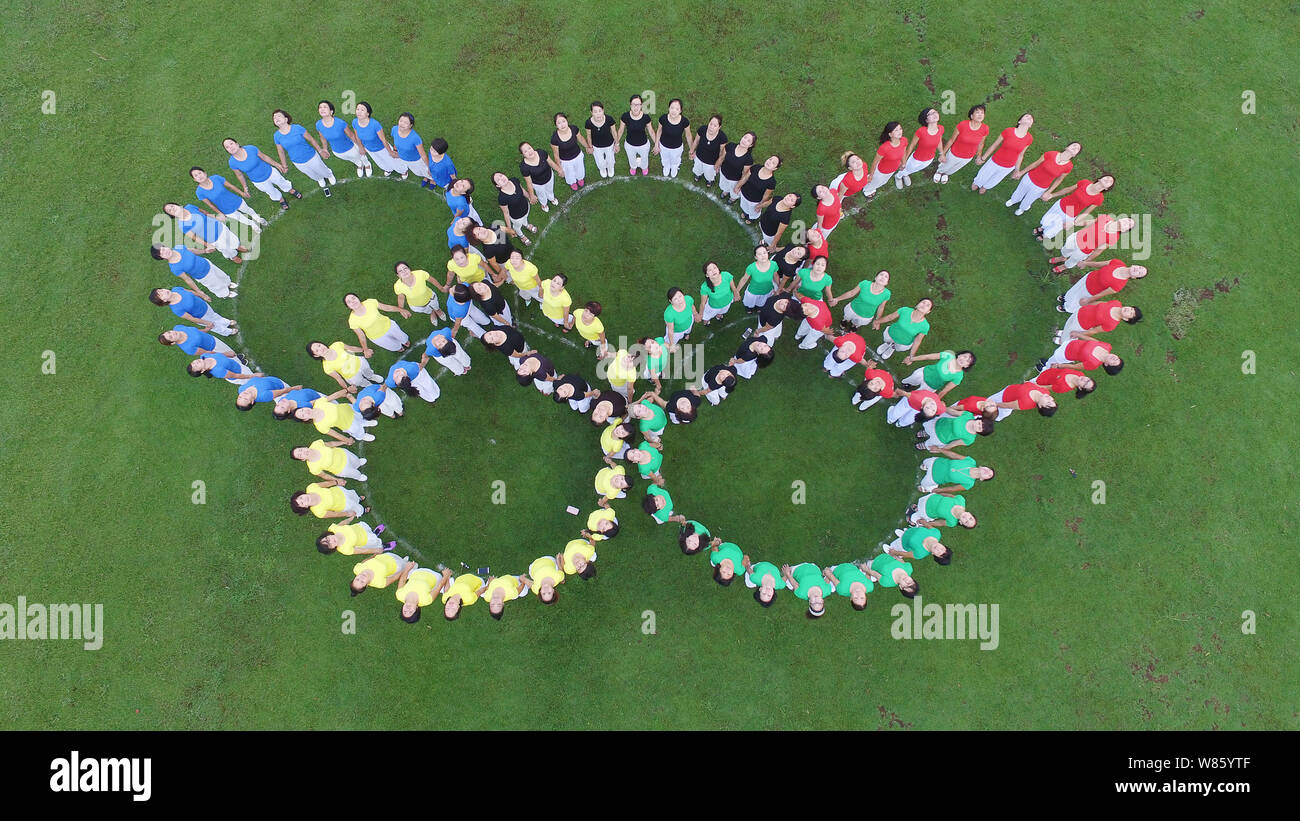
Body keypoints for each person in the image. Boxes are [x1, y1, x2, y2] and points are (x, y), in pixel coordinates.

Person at [1006, 141, 1080, 216]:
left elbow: (1059, 179)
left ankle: (1022, 208)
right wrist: (1021, 172)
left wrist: (1049, 192)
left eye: (1077, 149)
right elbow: (1035, 164)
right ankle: (1014, 200)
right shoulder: (1051, 154)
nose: (1075, 148)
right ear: (1067, 147)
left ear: (1075, 155)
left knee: (1027, 202)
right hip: (1029, 178)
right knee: (1018, 193)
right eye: (1074, 145)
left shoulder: (1069, 166)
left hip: (1040, 187)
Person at [271, 109, 334, 196]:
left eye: (278, 116)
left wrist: (320, 150)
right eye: (274, 118)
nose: (276, 118)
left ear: (286, 119)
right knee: (311, 174)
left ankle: (329, 175)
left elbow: (311, 139)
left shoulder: (297, 128)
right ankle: (319, 178)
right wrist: (284, 165)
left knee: (321, 169)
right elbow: (280, 151)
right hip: (297, 161)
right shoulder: (276, 136)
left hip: (311, 156)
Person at [223, 138, 298, 211]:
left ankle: (290, 190)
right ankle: (280, 199)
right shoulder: (232, 162)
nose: (230, 147)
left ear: (237, 143)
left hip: (270, 172)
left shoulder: (251, 149)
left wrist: (277, 165)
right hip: (258, 181)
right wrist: (245, 187)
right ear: (227, 151)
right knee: (270, 191)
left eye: (231, 143)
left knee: (281, 181)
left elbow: (264, 157)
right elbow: (239, 175)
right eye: (227, 147)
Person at [163, 203, 248, 263]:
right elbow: (194, 237)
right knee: (226, 249)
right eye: (170, 210)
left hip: (220, 227)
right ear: (172, 216)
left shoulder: (189, 207)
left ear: (176, 205)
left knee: (232, 239)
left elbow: (203, 212)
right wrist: (207, 245)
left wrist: (215, 216)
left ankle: (236, 246)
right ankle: (233, 257)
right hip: (214, 239)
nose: (172, 209)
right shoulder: (182, 225)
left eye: (172, 206)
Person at [972, 112, 1034, 194]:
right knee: (983, 175)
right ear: (1019, 121)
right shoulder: (1008, 131)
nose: (1029, 117)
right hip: (995, 161)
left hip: (1008, 166)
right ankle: (977, 182)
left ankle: (985, 187)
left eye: (1031, 118)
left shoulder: (1029, 138)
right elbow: (994, 145)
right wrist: (983, 158)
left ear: (1030, 125)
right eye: (1026, 116)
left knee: (995, 179)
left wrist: (1017, 170)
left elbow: (1021, 154)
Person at [1036, 175, 1113, 241]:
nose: (1108, 180)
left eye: (1110, 181)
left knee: (1055, 227)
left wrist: (1073, 223)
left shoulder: (1099, 198)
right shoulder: (1085, 182)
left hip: (1070, 214)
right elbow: (1068, 189)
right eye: (1107, 177)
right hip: (1061, 204)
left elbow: (1086, 212)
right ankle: (1042, 228)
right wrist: (1052, 195)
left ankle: (1044, 235)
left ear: (1107, 188)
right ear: (1100, 179)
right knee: (1049, 219)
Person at [190, 166, 266, 232]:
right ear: (195, 180)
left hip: (235, 200)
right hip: (226, 209)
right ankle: (252, 224)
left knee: (248, 210)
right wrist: (220, 213)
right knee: (241, 218)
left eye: (200, 173)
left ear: (205, 173)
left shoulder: (216, 178)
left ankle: (258, 218)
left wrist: (242, 193)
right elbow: (210, 205)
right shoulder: (199, 192)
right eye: (196, 175)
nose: (199, 176)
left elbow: (231, 186)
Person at [1057, 259, 1147, 314]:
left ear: (1134, 277)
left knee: (1076, 301)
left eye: (1139, 273)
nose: (1137, 269)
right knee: (1074, 290)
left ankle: (1067, 307)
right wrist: (1086, 263)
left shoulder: (1119, 285)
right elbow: (1099, 264)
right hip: (1088, 278)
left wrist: (1088, 300)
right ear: (1134, 265)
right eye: (1139, 267)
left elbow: (1102, 294)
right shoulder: (1118, 262)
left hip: (1089, 291)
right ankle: (1066, 296)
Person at [1051, 215, 1137, 271]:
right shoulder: (1106, 217)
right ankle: (1062, 257)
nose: (1127, 222)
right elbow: (1088, 222)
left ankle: (1063, 267)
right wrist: (1073, 224)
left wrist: (1087, 261)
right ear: (1122, 218)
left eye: (1129, 225)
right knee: (1066, 249)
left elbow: (1098, 251)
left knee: (1073, 260)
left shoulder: (1114, 238)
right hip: (1076, 237)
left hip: (1084, 251)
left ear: (1124, 230)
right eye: (1128, 220)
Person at [152, 243, 236, 299]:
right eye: (162, 254)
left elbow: (191, 250)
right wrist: (198, 291)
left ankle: (228, 283)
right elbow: (187, 279)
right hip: (204, 276)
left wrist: (205, 251)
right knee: (217, 286)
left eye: (163, 249)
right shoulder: (174, 268)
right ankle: (225, 294)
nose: (165, 252)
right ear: (162, 258)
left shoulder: (178, 247)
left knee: (221, 275)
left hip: (207, 264)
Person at [314, 99, 371, 178]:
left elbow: (351, 135)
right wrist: (325, 149)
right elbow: (322, 137)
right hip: (337, 152)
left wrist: (361, 147)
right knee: (352, 159)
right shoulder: (318, 124)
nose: (322, 109)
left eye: (325, 107)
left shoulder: (340, 123)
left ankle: (367, 164)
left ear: (331, 111)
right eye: (320, 107)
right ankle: (359, 165)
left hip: (350, 148)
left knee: (360, 155)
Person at [934, 104, 989, 184]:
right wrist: (942, 154)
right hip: (955, 153)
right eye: (977, 112)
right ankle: (939, 172)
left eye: (982, 112)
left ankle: (946, 174)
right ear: (972, 116)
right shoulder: (963, 125)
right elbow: (951, 140)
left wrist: (979, 156)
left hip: (968, 157)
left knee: (955, 168)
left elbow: (981, 143)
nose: (980, 114)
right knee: (946, 165)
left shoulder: (985, 128)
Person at [294, 391, 378, 443]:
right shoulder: (320, 426)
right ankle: (362, 436)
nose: (305, 412)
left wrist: (346, 391)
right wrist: (347, 440)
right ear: (305, 419)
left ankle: (364, 422)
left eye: (302, 410)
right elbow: (336, 434)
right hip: (349, 425)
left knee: (359, 416)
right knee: (357, 430)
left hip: (349, 409)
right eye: (303, 415)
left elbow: (333, 396)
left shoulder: (318, 403)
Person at [149, 287, 236, 336]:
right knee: (214, 326)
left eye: (161, 290)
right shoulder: (176, 309)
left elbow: (191, 292)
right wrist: (206, 323)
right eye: (161, 294)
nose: (164, 291)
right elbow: (191, 318)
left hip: (205, 306)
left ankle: (226, 322)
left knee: (215, 316)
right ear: (163, 301)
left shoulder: (176, 289)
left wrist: (203, 296)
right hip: (202, 317)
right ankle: (228, 332)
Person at [345, 293, 411, 354]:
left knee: (404, 338)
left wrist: (402, 310)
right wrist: (366, 350)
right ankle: (399, 348)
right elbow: (361, 336)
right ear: (348, 306)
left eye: (353, 298)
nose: (353, 302)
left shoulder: (370, 302)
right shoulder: (352, 321)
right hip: (378, 338)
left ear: (358, 298)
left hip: (389, 326)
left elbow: (387, 307)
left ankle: (404, 342)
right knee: (394, 346)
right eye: (349, 302)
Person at [350, 101, 402, 177]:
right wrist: (361, 147)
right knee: (380, 162)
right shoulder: (354, 122)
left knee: (393, 161)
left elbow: (383, 139)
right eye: (357, 109)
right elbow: (357, 136)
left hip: (381, 148)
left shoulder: (375, 124)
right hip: (369, 149)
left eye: (362, 110)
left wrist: (390, 151)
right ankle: (388, 169)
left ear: (367, 113)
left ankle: (403, 171)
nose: (359, 112)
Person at [1039, 330, 1124, 375]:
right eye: (1117, 358)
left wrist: (1060, 366)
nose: (1114, 358)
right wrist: (1079, 335)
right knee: (1051, 360)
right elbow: (1093, 341)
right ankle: (1047, 364)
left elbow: (1076, 366)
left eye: (1114, 362)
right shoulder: (1107, 346)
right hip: (1070, 342)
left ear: (1107, 365)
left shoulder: (1093, 364)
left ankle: (1044, 371)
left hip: (1064, 354)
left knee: (1051, 363)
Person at [897, 107, 945, 188]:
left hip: (929, 159)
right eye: (930, 114)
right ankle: (898, 177)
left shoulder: (941, 128)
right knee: (907, 167)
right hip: (916, 159)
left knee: (913, 170)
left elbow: (939, 141)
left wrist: (941, 153)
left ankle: (905, 174)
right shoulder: (921, 131)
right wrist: (904, 160)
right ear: (926, 120)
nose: (935, 114)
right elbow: (912, 145)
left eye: (935, 112)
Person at [307, 340, 382, 390]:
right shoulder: (327, 367)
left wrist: (365, 350)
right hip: (353, 376)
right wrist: (347, 389)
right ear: (316, 355)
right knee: (361, 382)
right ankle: (368, 385)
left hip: (360, 363)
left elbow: (351, 348)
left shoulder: (337, 345)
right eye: (317, 350)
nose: (321, 349)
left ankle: (372, 376)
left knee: (367, 371)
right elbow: (339, 378)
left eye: (319, 345)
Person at [900, 350, 975, 399]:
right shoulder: (948, 355)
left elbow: (945, 390)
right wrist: (911, 359)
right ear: (959, 355)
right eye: (964, 356)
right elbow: (928, 357)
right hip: (923, 373)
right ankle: (907, 385)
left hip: (931, 386)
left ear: (966, 366)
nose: (963, 360)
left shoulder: (958, 376)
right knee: (911, 380)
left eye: (967, 361)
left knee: (915, 397)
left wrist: (935, 400)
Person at [1057, 299, 1143, 342]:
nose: (1128, 310)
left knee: (1067, 338)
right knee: (1068, 324)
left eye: (1131, 314)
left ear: (1126, 319)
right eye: (1131, 309)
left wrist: (1078, 334)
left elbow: (1094, 331)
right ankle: (1063, 332)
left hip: (1080, 324)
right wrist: (1088, 304)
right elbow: (1100, 303)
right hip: (1080, 312)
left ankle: (1061, 341)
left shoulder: (1111, 324)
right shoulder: (1116, 303)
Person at [861, 122, 907, 197]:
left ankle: (870, 183)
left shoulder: (904, 140)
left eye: (900, 129)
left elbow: (904, 151)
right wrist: (871, 175)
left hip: (892, 170)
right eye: (896, 130)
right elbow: (875, 162)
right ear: (890, 134)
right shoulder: (885, 148)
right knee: (874, 181)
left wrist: (903, 162)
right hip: (882, 171)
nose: (900, 131)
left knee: (883, 182)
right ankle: (867, 190)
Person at [291, 478, 367, 521]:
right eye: (302, 503)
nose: (304, 500)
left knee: (352, 495)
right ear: (305, 507)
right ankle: (363, 510)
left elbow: (325, 484)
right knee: (357, 508)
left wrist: (336, 482)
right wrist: (347, 514)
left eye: (301, 498)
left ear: (302, 494)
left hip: (341, 492)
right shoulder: (319, 512)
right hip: (344, 504)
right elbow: (334, 514)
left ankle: (358, 499)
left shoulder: (311, 487)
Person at [294, 438, 368, 482]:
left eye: (301, 450)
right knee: (355, 473)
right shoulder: (313, 468)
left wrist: (343, 442)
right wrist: (336, 480)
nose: (303, 452)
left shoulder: (316, 444)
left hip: (344, 454)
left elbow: (331, 444)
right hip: (342, 469)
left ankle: (358, 463)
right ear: (303, 459)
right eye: (300, 455)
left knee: (356, 460)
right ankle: (359, 477)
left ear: (304, 447)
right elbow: (324, 475)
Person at [917, 407, 994, 449]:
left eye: (980, 428)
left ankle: (924, 444)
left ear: (980, 432)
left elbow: (954, 443)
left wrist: (941, 449)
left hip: (940, 438)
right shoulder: (968, 415)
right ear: (979, 419)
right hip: (938, 424)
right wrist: (942, 407)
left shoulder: (970, 439)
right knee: (927, 428)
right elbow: (953, 413)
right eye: (980, 423)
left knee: (929, 444)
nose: (977, 426)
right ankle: (925, 433)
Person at [617, 94, 654, 176]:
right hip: (629, 145)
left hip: (643, 144)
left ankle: (644, 167)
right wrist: (616, 143)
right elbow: (620, 130)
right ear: (630, 105)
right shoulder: (625, 116)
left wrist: (657, 144)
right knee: (631, 159)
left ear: (641, 105)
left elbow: (651, 131)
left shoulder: (646, 117)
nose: (636, 107)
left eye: (638, 104)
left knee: (644, 159)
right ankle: (633, 167)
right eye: (634, 104)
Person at [735, 154, 780, 222]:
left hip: (754, 201)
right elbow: (745, 178)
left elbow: (766, 195)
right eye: (770, 159)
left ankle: (751, 218)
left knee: (753, 211)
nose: (769, 162)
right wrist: (738, 186)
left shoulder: (771, 182)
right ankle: (745, 212)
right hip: (744, 193)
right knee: (744, 206)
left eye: (773, 163)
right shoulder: (756, 167)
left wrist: (760, 205)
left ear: (775, 168)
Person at [919, 455, 994, 494]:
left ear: (982, 479)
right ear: (982, 466)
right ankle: (927, 466)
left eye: (989, 475)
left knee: (923, 484)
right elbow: (955, 456)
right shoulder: (971, 461)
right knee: (925, 461)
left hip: (935, 478)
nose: (987, 472)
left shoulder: (969, 483)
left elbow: (953, 488)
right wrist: (940, 449)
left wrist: (939, 490)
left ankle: (929, 488)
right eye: (989, 469)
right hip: (937, 462)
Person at [653, 98, 690, 178]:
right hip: (663, 146)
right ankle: (666, 167)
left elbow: (688, 135)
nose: (674, 111)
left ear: (680, 111)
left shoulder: (684, 121)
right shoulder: (663, 118)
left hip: (677, 147)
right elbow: (659, 131)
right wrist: (656, 145)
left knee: (675, 160)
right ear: (668, 108)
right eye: (672, 108)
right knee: (664, 158)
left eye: (677, 109)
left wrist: (692, 149)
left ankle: (674, 167)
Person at [518, 141, 560, 212]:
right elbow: (529, 182)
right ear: (523, 154)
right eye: (525, 151)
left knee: (550, 189)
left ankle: (551, 198)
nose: (529, 151)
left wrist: (559, 170)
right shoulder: (524, 167)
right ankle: (544, 204)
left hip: (549, 177)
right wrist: (532, 195)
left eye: (529, 148)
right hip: (538, 184)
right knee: (541, 195)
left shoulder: (541, 152)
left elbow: (551, 163)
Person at [389, 112, 431, 183]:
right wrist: (395, 150)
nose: (402, 124)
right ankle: (426, 177)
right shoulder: (394, 129)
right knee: (418, 173)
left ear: (410, 125)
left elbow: (423, 155)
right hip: (404, 159)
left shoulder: (415, 138)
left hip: (416, 160)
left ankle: (432, 179)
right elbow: (396, 141)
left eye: (405, 122)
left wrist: (429, 168)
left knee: (426, 171)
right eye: (401, 121)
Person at [494, 173, 534, 245]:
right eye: (498, 180)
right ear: (498, 185)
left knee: (525, 218)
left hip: (526, 207)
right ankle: (522, 236)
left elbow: (523, 191)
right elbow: (506, 213)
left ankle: (526, 225)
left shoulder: (514, 180)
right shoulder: (502, 198)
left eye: (501, 175)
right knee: (517, 227)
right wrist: (509, 229)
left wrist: (530, 197)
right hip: (517, 217)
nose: (501, 178)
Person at [987, 380, 1058, 420]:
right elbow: (1035, 386)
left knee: (986, 407)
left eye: (1048, 402)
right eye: (1052, 401)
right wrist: (1027, 383)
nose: (1050, 398)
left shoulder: (1026, 402)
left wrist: (994, 405)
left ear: (1040, 406)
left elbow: (1006, 405)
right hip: (1008, 390)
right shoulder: (1046, 392)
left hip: (1002, 400)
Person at [736, 245, 779, 310]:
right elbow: (744, 280)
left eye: (764, 253)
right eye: (759, 254)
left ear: (767, 253)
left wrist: (779, 287)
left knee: (761, 303)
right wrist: (737, 291)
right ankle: (749, 309)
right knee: (749, 304)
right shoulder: (751, 268)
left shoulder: (773, 264)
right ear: (756, 257)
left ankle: (758, 307)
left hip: (767, 291)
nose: (763, 256)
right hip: (753, 292)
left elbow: (775, 275)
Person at [550, 112, 585, 189]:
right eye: (559, 123)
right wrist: (559, 168)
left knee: (580, 169)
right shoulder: (554, 139)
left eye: (563, 121)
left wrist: (588, 147)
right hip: (566, 161)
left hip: (577, 155)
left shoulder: (574, 129)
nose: (562, 125)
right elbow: (556, 154)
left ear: (567, 121)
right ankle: (572, 182)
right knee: (569, 174)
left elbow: (581, 139)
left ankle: (580, 178)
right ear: (556, 125)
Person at [317, 520, 393, 556]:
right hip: (366, 540)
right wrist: (376, 550)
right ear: (332, 548)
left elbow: (342, 523)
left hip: (361, 528)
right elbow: (362, 551)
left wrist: (350, 518)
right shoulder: (345, 549)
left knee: (369, 532)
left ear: (327, 535)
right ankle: (383, 547)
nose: (331, 541)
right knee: (376, 543)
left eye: (327, 539)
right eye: (329, 544)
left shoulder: (333, 528)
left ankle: (374, 533)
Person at [583, 101, 618, 179]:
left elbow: (614, 131)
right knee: (600, 162)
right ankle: (602, 169)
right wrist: (590, 147)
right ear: (591, 112)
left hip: (609, 144)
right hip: (596, 146)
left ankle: (610, 168)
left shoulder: (609, 119)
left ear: (603, 110)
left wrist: (617, 144)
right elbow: (588, 136)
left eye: (600, 111)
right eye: (595, 111)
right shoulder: (588, 123)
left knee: (610, 159)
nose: (598, 113)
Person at [689, 114, 727, 185]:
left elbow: (721, 153)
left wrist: (718, 164)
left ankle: (709, 180)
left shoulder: (722, 138)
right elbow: (696, 141)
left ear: (719, 127)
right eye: (711, 124)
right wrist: (692, 151)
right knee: (697, 169)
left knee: (709, 174)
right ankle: (698, 174)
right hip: (699, 157)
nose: (711, 127)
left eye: (715, 125)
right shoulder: (702, 129)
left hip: (711, 162)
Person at [718, 131, 755, 201]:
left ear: (751, 145)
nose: (745, 140)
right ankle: (726, 191)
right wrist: (717, 164)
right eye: (745, 137)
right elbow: (722, 157)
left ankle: (732, 198)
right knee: (724, 185)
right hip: (723, 172)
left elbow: (744, 174)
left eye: (748, 141)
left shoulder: (748, 159)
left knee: (734, 190)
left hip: (734, 180)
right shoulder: (730, 146)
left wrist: (739, 185)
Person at [908, 492, 977, 529]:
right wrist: (939, 492)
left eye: (966, 522)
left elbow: (939, 523)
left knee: (912, 518)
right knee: (920, 502)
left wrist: (925, 523)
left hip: (926, 511)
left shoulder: (952, 522)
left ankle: (916, 518)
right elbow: (949, 495)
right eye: (970, 518)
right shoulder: (961, 500)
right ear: (969, 513)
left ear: (961, 523)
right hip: (930, 498)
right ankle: (917, 508)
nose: (966, 518)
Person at [885, 527, 952, 566]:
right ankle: (903, 533)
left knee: (894, 547)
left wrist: (894, 552)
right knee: (908, 534)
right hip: (910, 531)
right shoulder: (936, 533)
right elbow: (929, 527)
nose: (938, 549)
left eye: (938, 553)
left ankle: (892, 551)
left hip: (902, 544)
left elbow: (905, 554)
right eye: (942, 548)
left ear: (933, 554)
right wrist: (923, 522)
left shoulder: (920, 553)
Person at [157, 325, 235, 357]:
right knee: (230, 355)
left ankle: (237, 358)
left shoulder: (178, 327)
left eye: (169, 332)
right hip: (214, 348)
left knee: (230, 351)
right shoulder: (188, 348)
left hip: (213, 339)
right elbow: (207, 353)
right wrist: (225, 354)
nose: (172, 333)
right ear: (173, 342)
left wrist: (206, 330)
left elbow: (195, 331)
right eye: (171, 337)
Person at [187, 352, 253, 384]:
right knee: (252, 380)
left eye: (193, 362)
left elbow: (216, 354)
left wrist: (227, 354)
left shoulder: (204, 355)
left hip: (234, 364)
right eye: (196, 366)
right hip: (240, 373)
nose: (196, 363)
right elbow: (236, 375)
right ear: (202, 371)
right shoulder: (218, 371)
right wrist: (251, 376)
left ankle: (241, 362)